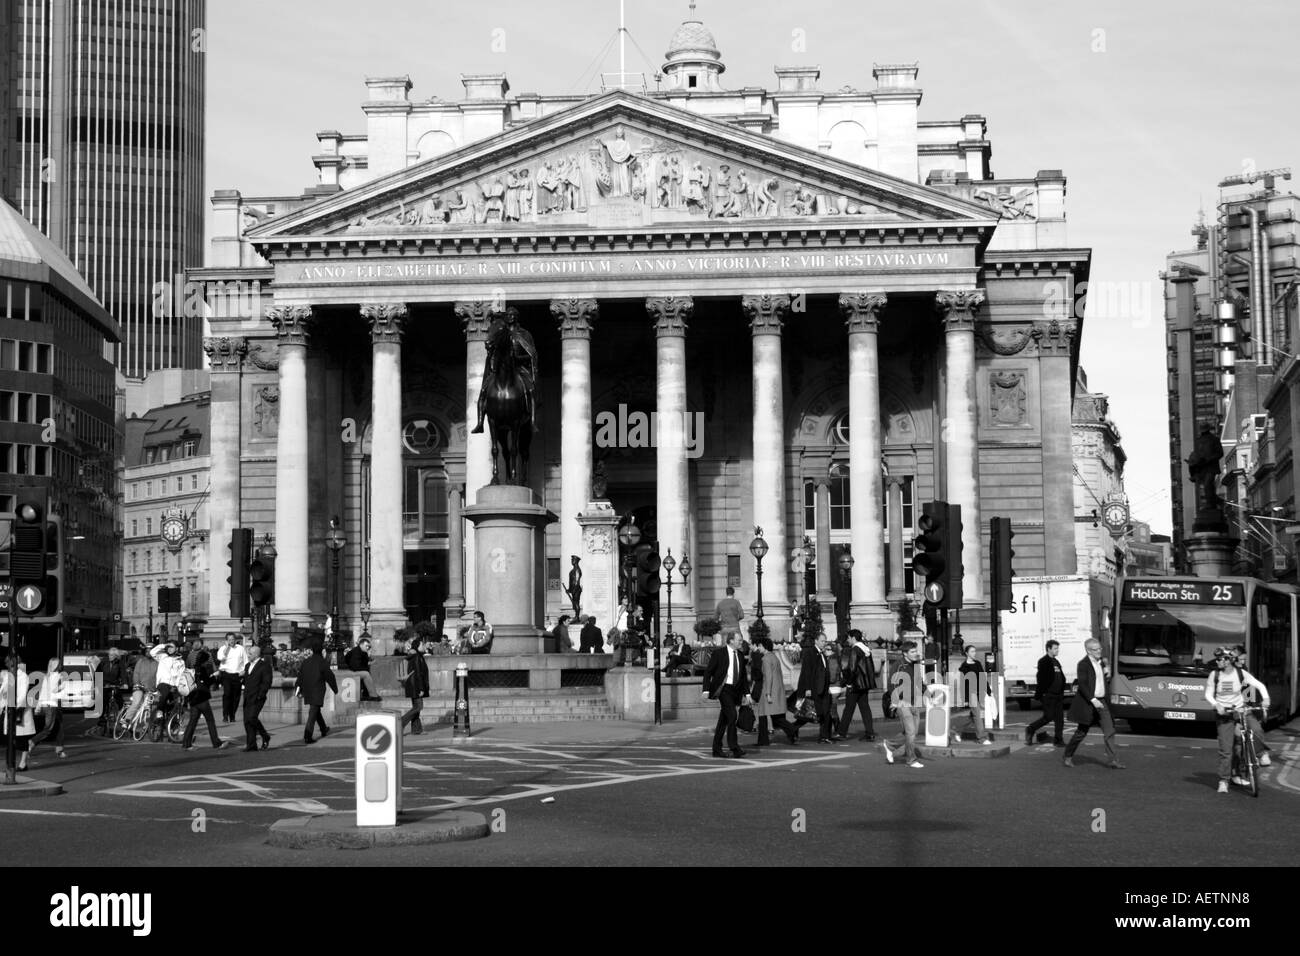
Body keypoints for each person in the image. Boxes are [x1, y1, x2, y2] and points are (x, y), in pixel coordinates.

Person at [1205, 646, 1272, 793]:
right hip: (1224, 714)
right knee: (1226, 749)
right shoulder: (1214, 675)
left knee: (1256, 728)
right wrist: (1216, 705)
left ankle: (1261, 754)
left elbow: (1259, 685)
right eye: (1217, 659)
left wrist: (1266, 699)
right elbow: (1208, 693)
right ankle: (1224, 781)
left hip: (1241, 709)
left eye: (1221, 659)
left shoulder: (1241, 673)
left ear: (1229, 660)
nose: (1218, 662)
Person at [1062, 638, 1124, 769]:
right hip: (1089, 703)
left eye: (1100, 648)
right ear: (1088, 650)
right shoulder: (1083, 664)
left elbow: (1102, 682)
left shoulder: (1100, 663)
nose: (1099, 651)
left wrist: (1107, 672)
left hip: (1102, 702)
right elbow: (1083, 684)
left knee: (1110, 731)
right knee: (1081, 732)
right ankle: (1068, 755)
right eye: (1096, 649)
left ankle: (1112, 760)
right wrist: (1093, 700)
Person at [702, 631, 750, 758]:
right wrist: (706, 690)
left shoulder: (740, 654)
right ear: (731, 640)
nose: (741, 642)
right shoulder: (719, 653)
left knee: (724, 720)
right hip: (724, 689)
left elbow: (743, 676)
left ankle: (716, 749)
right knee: (733, 715)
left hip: (736, 691)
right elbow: (708, 672)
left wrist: (748, 694)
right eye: (739, 640)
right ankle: (734, 747)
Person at [881, 641, 926, 768]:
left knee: (911, 732)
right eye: (912, 652)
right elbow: (891, 685)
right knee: (911, 732)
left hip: (914, 701)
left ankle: (890, 745)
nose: (916, 653)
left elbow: (919, 681)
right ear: (905, 653)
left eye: (916, 651)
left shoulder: (915, 664)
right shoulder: (898, 665)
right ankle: (911, 759)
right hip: (902, 703)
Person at [754, 637, 798, 746]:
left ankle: (790, 729)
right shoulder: (774, 657)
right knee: (774, 715)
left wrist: (768, 693)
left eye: (759, 646)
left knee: (763, 714)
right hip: (777, 689)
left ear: (764, 646)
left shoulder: (765, 659)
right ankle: (789, 730)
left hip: (769, 689)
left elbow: (768, 677)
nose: (758, 648)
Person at [836, 630, 877, 741]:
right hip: (864, 685)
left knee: (848, 709)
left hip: (855, 684)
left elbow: (852, 668)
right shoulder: (866, 650)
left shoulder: (855, 650)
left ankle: (841, 733)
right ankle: (870, 733)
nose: (848, 640)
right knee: (865, 708)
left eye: (849, 638)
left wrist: (847, 682)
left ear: (853, 638)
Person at [1024, 639, 1066, 746]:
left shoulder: (1056, 661)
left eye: (1058, 648)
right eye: (1055, 648)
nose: (1058, 650)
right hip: (1048, 695)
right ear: (1049, 649)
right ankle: (1031, 729)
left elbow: (1060, 676)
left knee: (1060, 719)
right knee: (1048, 716)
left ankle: (1058, 740)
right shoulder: (1043, 661)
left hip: (1058, 696)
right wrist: (1040, 694)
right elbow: (1041, 679)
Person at [181, 656, 227, 751]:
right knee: (210, 721)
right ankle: (216, 743)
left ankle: (186, 743)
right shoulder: (202, 670)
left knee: (192, 722)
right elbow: (207, 682)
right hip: (202, 698)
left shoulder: (191, 670)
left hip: (193, 698)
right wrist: (215, 676)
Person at [797, 636, 836, 744]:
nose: (824, 643)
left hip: (823, 689)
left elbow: (824, 671)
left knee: (825, 712)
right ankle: (792, 729)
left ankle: (825, 736)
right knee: (811, 713)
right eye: (822, 641)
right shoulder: (810, 653)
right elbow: (807, 672)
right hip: (814, 688)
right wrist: (808, 688)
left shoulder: (822, 653)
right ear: (816, 641)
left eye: (825, 641)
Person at [296, 641, 337, 744]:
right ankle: (307, 736)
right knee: (313, 713)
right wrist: (335, 689)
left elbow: (300, 676)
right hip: (317, 690)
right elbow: (330, 676)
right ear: (322, 651)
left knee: (315, 710)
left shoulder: (306, 661)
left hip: (308, 690)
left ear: (312, 651)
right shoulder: (322, 662)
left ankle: (323, 729)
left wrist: (298, 687)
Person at [951, 644, 992, 745]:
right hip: (971, 693)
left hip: (979, 692)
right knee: (977, 715)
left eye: (975, 651)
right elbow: (963, 684)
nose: (975, 653)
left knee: (973, 716)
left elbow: (982, 677)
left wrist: (988, 691)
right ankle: (981, 738)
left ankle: (958, 730)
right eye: (972, 651)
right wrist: (965, 697)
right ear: (967, 653)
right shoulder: (964, 667)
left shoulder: (977, 663)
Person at [28, 656, 67, 760]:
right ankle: (32, 742)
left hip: (46, 705)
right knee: (47, 729)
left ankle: (60, 750)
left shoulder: (47, 676)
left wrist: (38, 706)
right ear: (56, 666)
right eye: (59, 664)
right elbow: (62, 694)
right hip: (52, 706)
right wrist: (57, 691)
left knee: (60, 727)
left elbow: (42, 693)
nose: (61, 666)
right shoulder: (60, 677)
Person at [1, 656, 35, 771]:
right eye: (7, 664)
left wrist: (16, 707)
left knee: (22, 738)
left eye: (10, 664)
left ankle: (23, 762)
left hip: (19, 710)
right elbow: (2, 692)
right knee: (10, 738)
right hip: (9, 708)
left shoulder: (23, 676)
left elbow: (22, 694)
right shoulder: (7, 676)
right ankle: (10, 764)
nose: (8, 666)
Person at [241, 645, 273, 752]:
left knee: (252, 718)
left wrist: (260, 695)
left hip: (257, 697)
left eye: (250, 653)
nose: (248, 655)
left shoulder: (264, 666)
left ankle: (265, 736)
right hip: (247, 696)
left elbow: (267, 682)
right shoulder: (247, 666)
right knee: (247, 721)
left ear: (256, 654)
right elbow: (246, 681)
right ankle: (251, 745)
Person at [96, 648, 129, 735]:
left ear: (116, 656)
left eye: (112, 655)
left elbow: (123, 674)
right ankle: (102, 720)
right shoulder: (104, 661)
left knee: (120, 702)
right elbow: (98, 673)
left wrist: (125, 683)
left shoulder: (120, 663)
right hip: (104, 684)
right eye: (109, 655)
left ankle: (123, 720)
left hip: (115, 685)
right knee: (102, 701)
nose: (110, 656)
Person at [216, 633, 247, 724]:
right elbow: (220, 658)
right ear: (226, 641)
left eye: (232, 639)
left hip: (237, 675)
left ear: (235, 639)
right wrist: (227, 648)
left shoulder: (240, 648)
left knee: (236, 696)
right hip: (226, 674)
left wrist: (244, 671)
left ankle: (232, 714)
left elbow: (246, 661)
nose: (231, 641)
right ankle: (225, 715)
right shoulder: (222, 649)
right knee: (227, 694)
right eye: (229, 639)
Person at [343, 637, 382, 701]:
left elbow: (364, 665)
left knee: (367, 672)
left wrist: (368, 659)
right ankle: (373, 695)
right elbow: (355, 667)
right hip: (350, 671)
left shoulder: (363, 652)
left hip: (353, 670)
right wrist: (368, 664)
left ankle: (367, 694)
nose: (368, 648)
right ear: (361, 645)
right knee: (366, 674)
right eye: (366, 646)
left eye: (369, 646)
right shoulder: (356, 652)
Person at [405, 636, 430, 734]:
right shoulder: (417, 657)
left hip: (412, 685)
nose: (424, 646)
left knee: (416, 707)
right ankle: (400, 722)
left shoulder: (416, 656)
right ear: (417, 646)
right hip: (416, 686)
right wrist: (421, 689)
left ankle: (416, 730)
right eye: (422, 644)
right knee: (418, 707)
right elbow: (419, 674)